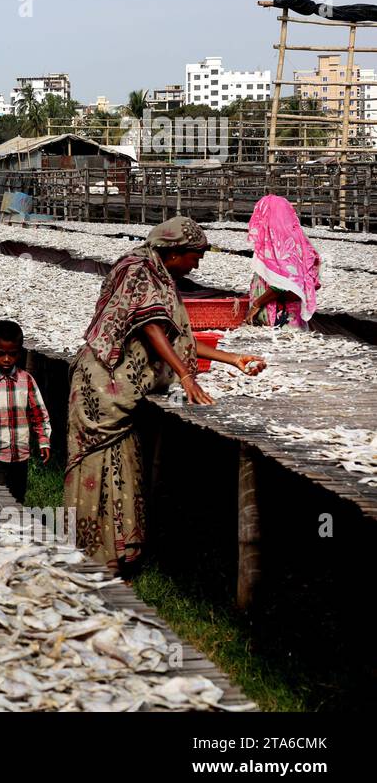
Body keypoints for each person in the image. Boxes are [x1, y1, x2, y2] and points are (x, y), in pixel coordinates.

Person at [64, 216, 267, 575]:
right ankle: (93, 556)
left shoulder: (156, 272)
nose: (196, 264)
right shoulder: (140, 270)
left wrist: (233, 359)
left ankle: (117, 555)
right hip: (102, 384)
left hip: (119, 386)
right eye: (194, 257)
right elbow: (152, 328)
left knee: (122, 462)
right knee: (98, 463)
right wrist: (186, 376)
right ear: (173, 253)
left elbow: (176, 338)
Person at [0, 320, 52, 505]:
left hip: (20, 455)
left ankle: (17, 531)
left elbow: (38, 413)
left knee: (18, 498)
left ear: (19, 353)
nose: (7, 359)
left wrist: (43, 441)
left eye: (12, 354)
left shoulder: (26, 380)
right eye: (1, 354)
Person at [244, 194, 321, 328]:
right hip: (290, 318)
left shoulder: (282, 244)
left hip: (281, 322)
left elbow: (282, 284)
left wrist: (257, 303)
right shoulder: (298, 241)